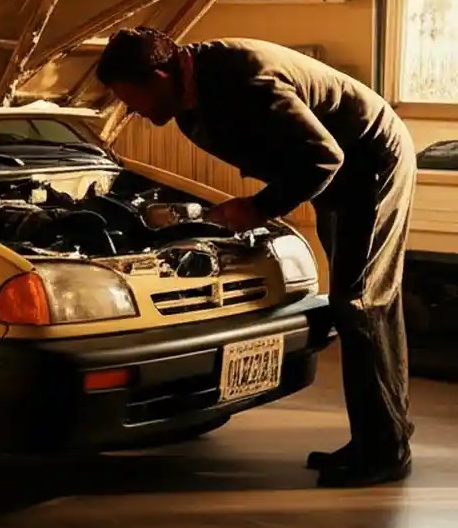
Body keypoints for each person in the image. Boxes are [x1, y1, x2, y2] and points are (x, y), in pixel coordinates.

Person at [95, 27, 417, 488]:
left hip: (371, 162)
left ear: (160, 75)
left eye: (133, 99)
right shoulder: (189, 94)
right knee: (364, 301)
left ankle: (385, 452)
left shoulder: (243, 80)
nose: (133, 112)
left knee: (361, 304)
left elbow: (324, 157)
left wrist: (259, 207)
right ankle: (381, 435)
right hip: (343, 174)